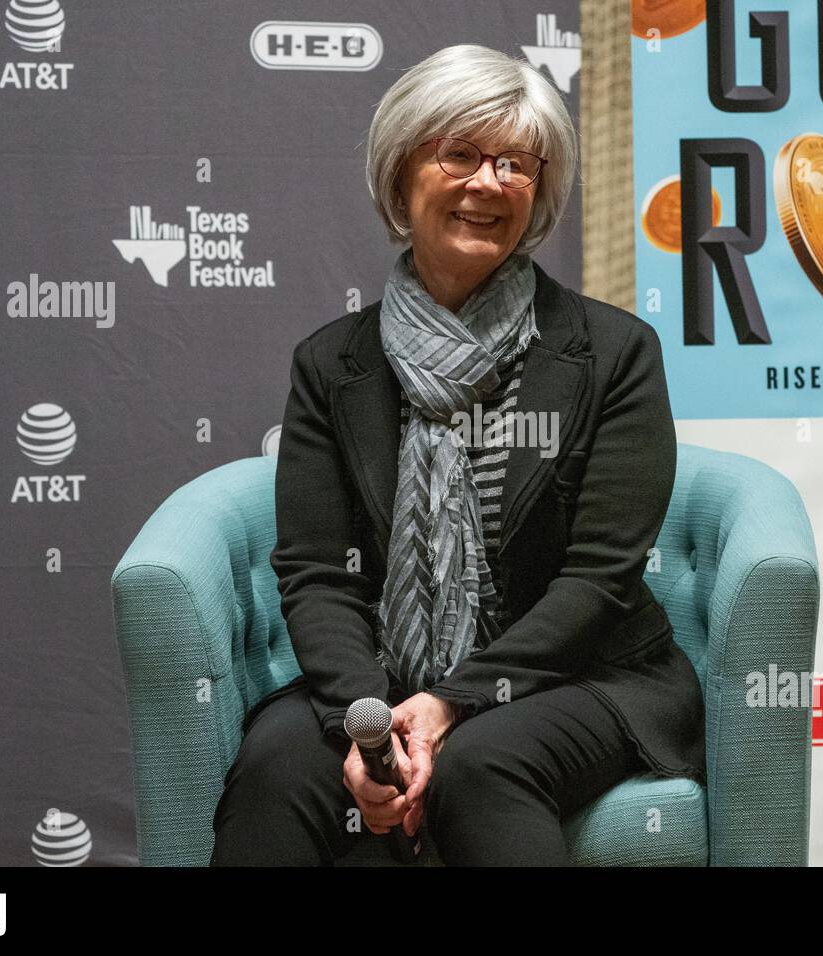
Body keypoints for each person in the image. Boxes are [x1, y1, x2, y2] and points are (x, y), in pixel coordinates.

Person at [209, 43, 704, 867]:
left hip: (585, 678)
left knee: (481, 764)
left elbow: (600, 579)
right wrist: (371, 730)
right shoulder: (334, 366)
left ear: (539, 192)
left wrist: (451, 702)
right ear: (403, 174)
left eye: (515, 162)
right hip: (382, 675)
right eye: (460, 154)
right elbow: (319, 576)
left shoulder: (613, 353)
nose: (488, 183)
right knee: (276, 768)